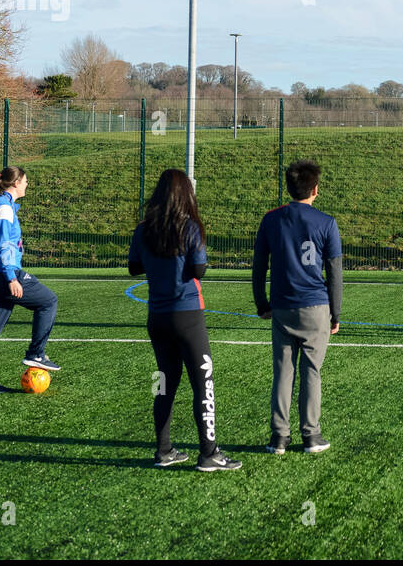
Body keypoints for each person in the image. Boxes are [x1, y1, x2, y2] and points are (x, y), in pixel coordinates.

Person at [129, 168, 240, 471]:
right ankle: (209, 453)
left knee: (164, 382)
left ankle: (163, 450)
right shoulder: (190, 228)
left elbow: (133, 268)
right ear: (185, 195)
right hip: (188, 315)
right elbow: (199, 270)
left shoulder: (144, 229)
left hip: (157, 317)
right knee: (203, 383)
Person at [253, 160, 343, 455]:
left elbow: (258, 267)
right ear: (315, 189)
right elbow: (334, 273)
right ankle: (311, 435)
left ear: (289, 188)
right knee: (311, 371)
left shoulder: (271, 219)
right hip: (316, 306)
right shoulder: (327, 222)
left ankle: (279, 437)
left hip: (281, 305)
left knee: (283, 371)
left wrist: (261, 303)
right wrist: (336, 313)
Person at [0, 166, 60, 395]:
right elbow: (3, 246)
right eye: (25, 181)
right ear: (15, 183)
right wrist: (11, 277)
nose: (27, 185)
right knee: (48, 301)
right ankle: (36, 353)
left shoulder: (2, 206)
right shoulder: (3, 209)